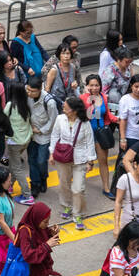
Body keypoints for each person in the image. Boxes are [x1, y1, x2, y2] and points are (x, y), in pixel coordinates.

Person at [49, 95, 95, 230]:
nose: (63, 109)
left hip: (80, 159)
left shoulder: (85, 123)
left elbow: (90, 142)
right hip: (63, 157)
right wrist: (51, 153)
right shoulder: (60, 119)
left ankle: (78, 214)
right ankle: (67, 206)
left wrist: (90, 161)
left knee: (78, 189)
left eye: (66, 107)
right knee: (64, 184)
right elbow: (54, 136)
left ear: (74, 111)